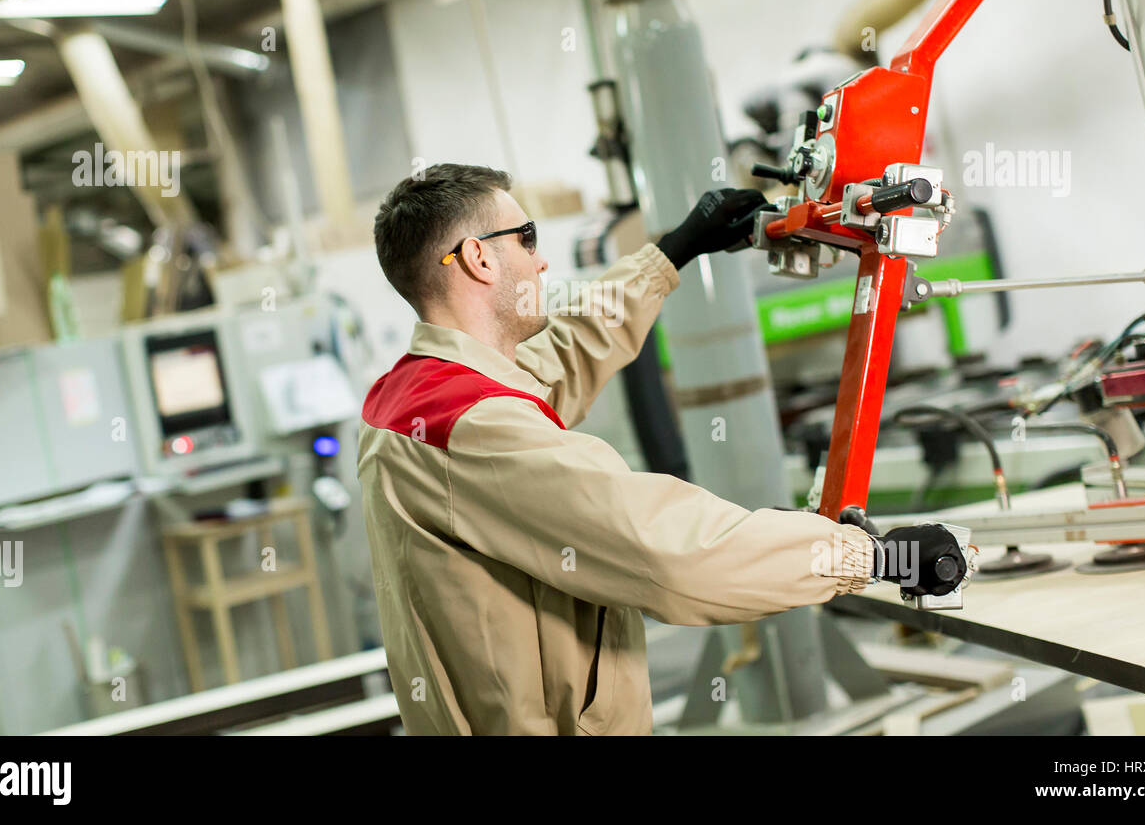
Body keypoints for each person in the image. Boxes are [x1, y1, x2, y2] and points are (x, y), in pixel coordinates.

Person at [359, 162, 966, 735]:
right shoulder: (473, 425)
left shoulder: (417, 395)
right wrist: (873, 557)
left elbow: (566, 352)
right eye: (527, 237)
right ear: (478, 258)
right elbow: (674, 553)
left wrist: (672, 253)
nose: (542, 263)